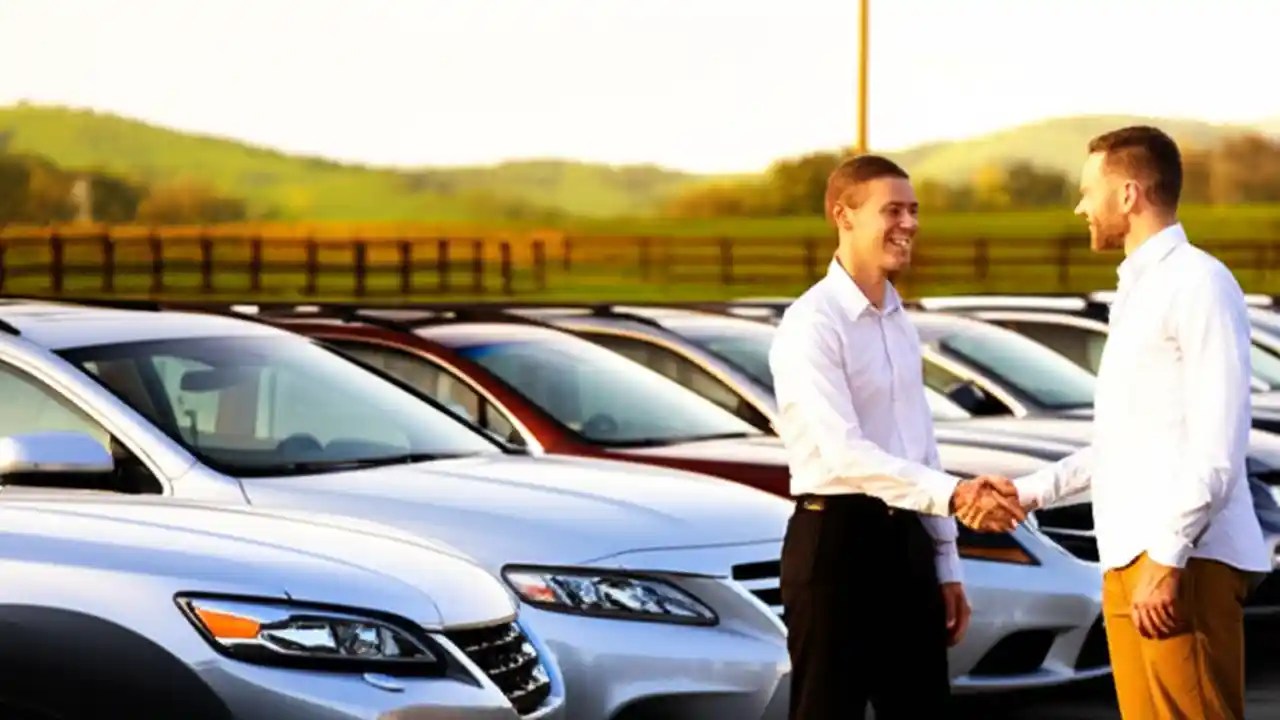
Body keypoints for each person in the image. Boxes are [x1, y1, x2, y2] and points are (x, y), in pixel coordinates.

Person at [1012, 125, 1271, 720]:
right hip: (1131, 559)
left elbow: (1218, 447)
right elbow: (1125, 446)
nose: (1080, 207)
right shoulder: (1137, 289)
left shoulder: (1198, 283)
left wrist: (1169, 557)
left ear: (1128, 195)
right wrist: (1029, 492)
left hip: (1182, 565)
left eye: (1087, 191)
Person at [769, 153, 1025, 720]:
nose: (908, 224)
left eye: (913, 210)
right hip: (834, 545)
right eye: (893, 210)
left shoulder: (898, 320)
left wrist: (946, 564)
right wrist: (957, 496)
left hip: (906, 544)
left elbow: (919, 444)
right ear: (845, 215)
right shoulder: (811, 324)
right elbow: (844, 452)